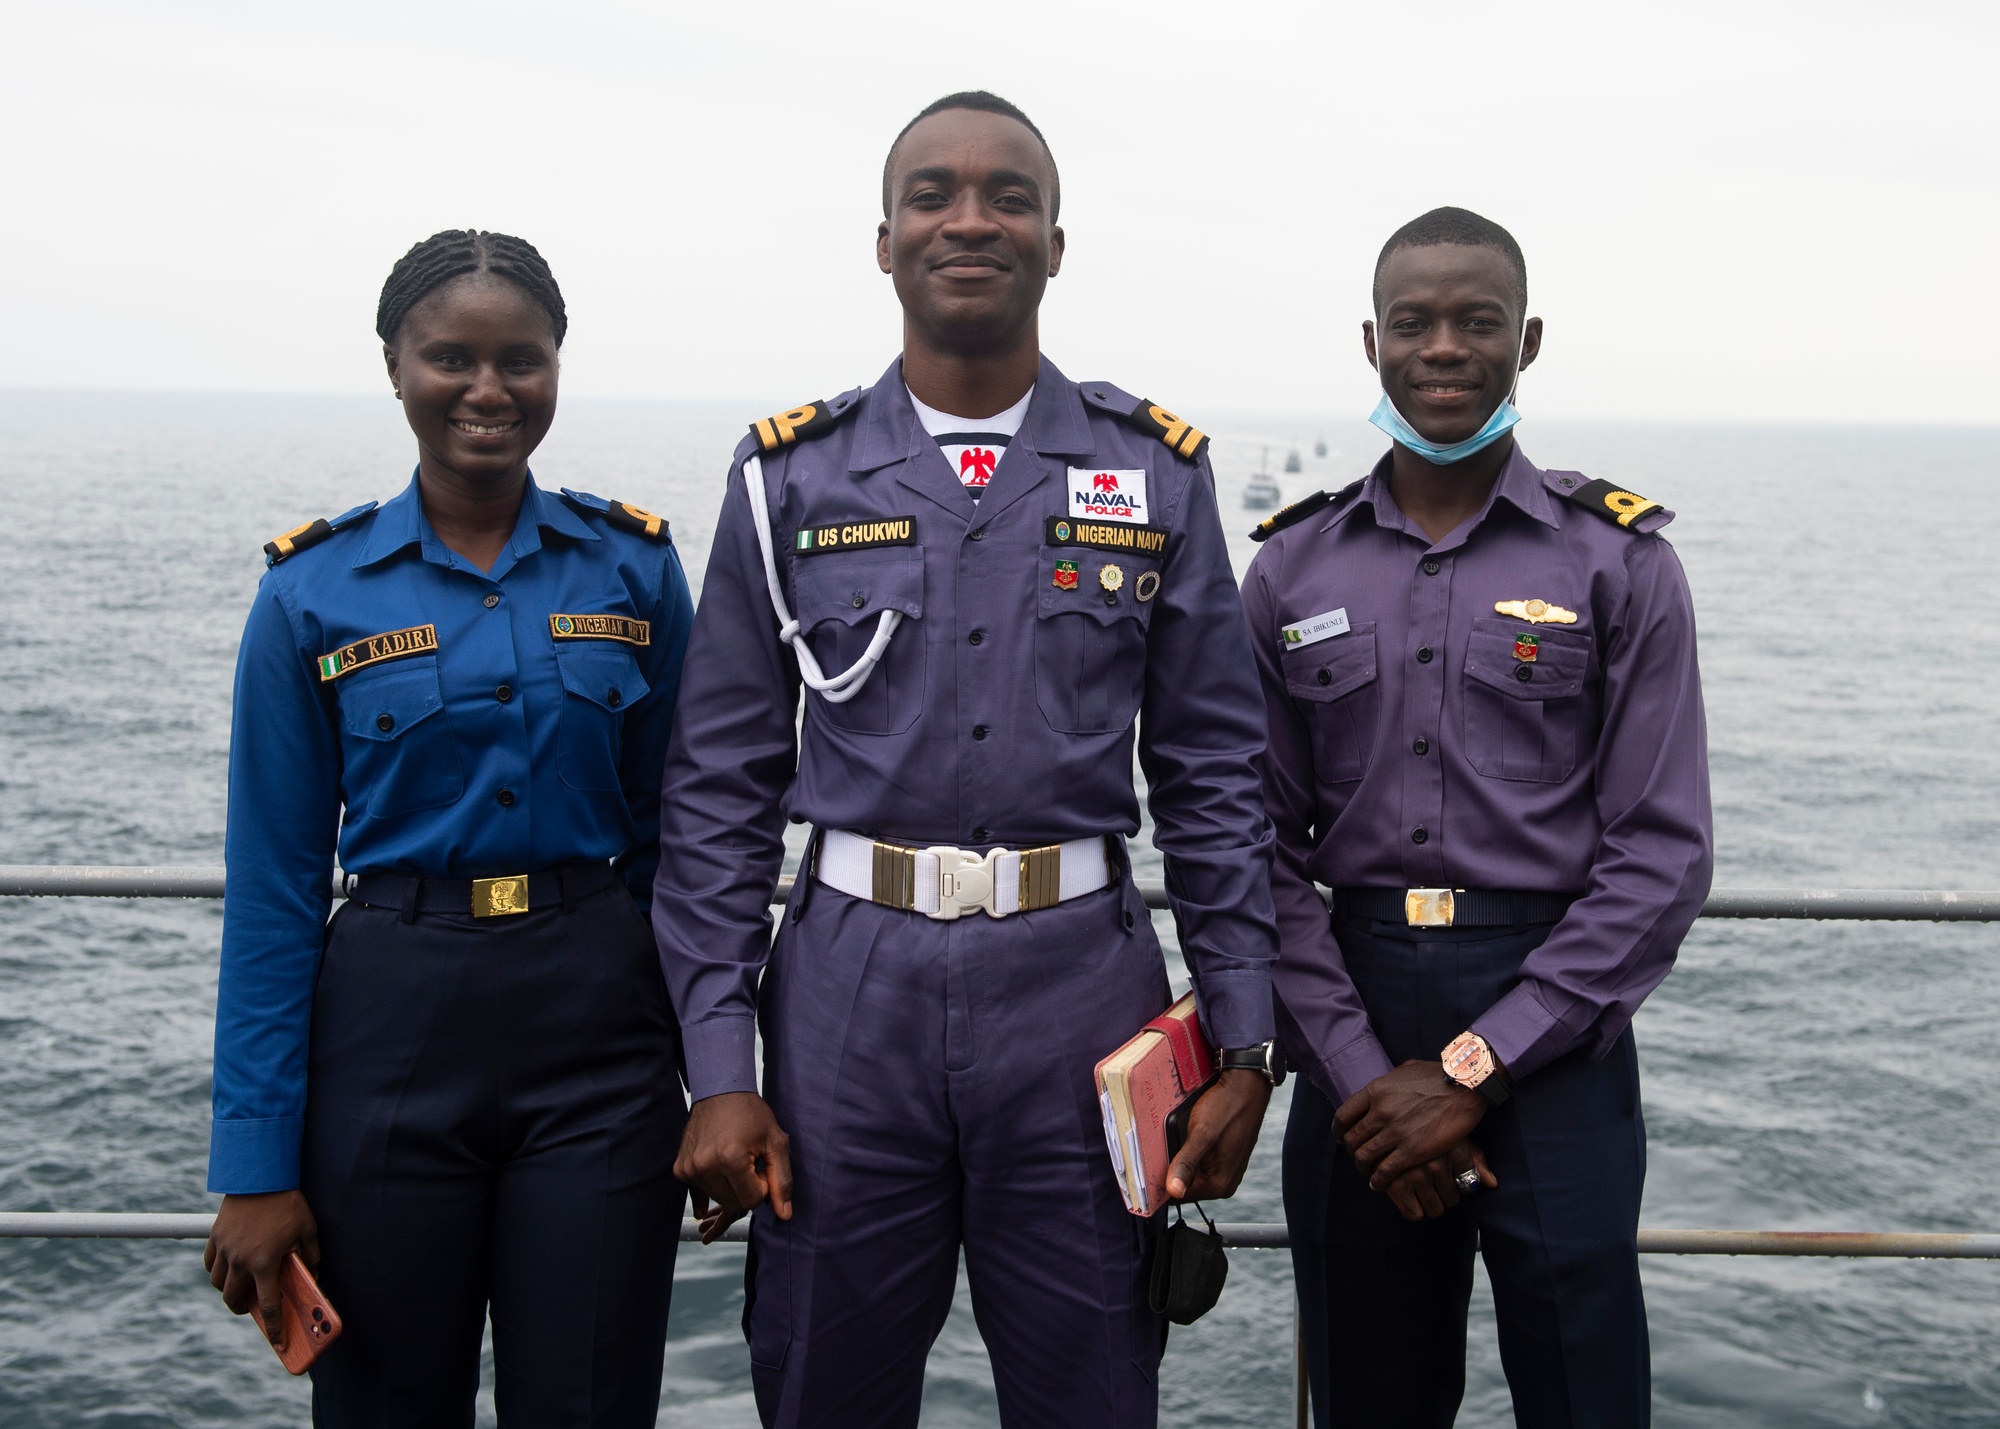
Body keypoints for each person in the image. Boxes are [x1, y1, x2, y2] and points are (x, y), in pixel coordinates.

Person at [652, 92, 1285, 1429]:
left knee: (1092, 1389)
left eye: (1009, 195)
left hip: (1083, 997)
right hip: (843, 1002)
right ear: (883, 241)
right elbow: (717, 794)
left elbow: (1215, 771)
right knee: (824, 1383)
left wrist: (1246, 1040)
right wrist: (720, 1065)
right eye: (933, 193)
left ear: (1060, 242)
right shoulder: (790, 480)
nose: (970, 218)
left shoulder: (1151, 470)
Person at [201, 229, 695, 1426]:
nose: (487, 389)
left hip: (598, 1047)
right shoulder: (308, 595)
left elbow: (683, 838)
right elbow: (272, 888)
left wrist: (717, 1068)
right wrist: (254, 1166)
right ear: (394, 366)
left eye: (520, 359)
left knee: (585, 1401)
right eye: (450, 358)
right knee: (385, 1406)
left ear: (557, 367)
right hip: (388, 1040)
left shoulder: (631, 570)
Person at [1243, 207, 1712, 1427]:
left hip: (1552, 1028)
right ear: (1370, 342)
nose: (1442, 347)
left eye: (1475, 321)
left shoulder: (1618, 563)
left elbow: (1658, 854)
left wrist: (1470, 1066)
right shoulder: (1290, 568)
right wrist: (1360, 1072)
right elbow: (1253, 847)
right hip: (1351, 1011)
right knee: (1368, 1393)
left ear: (1527, 340)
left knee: (1583, 1385)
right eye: (1413, 322)